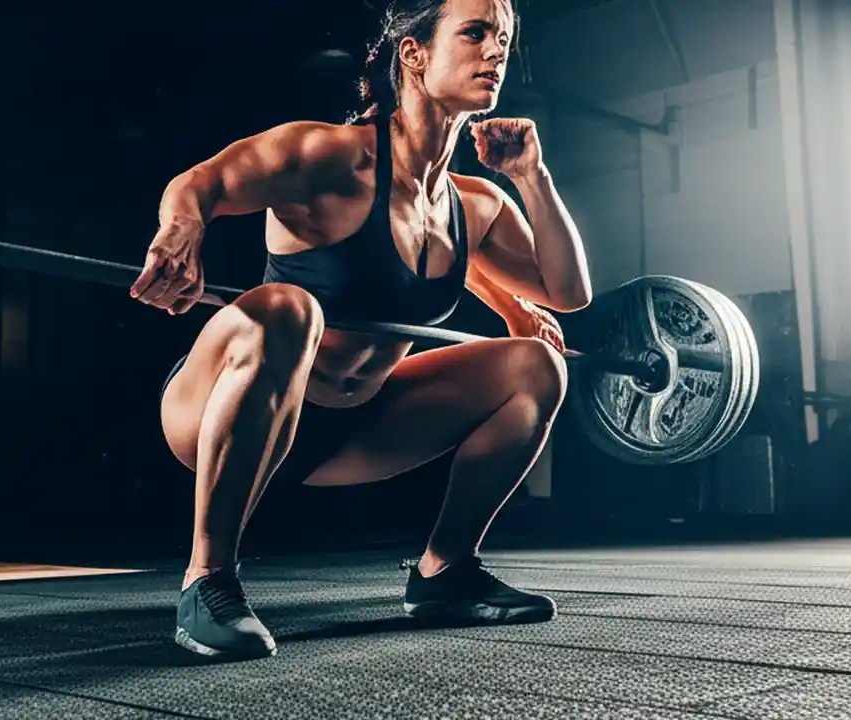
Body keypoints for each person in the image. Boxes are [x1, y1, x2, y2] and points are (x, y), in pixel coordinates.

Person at [131, 0, 592, 660]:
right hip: (216, 415)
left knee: (536, 367)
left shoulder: (473, 203)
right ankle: (207, 581)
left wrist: (531, 177)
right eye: (475, 33)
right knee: (290, 309)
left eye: (504, 38)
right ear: (414, 54)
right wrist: (181, 231)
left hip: (349, 430)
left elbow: (568, 292)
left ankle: (445, 571)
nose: (496, 52)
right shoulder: (329, 158)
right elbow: (201, 183)